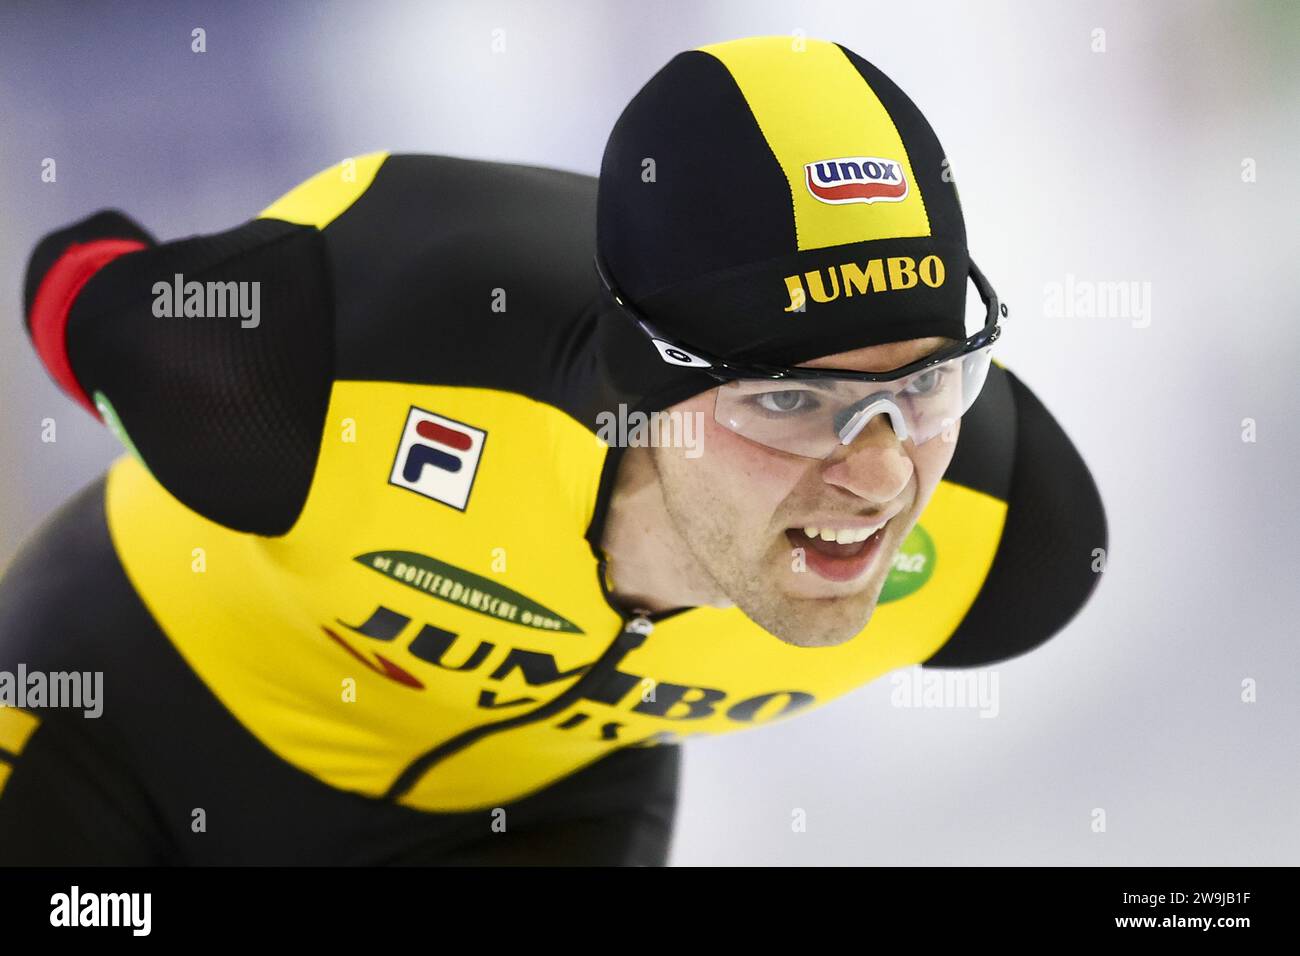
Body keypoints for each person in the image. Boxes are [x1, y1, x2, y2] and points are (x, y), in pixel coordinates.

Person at [0, 36, 1105, 865]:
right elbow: (78, 284)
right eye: (792, 400)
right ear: (646, 379)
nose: (879, 473)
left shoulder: (1004, 538)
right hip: (118, 733)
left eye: (924, 382)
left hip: (530, 814)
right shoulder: (329, 368)